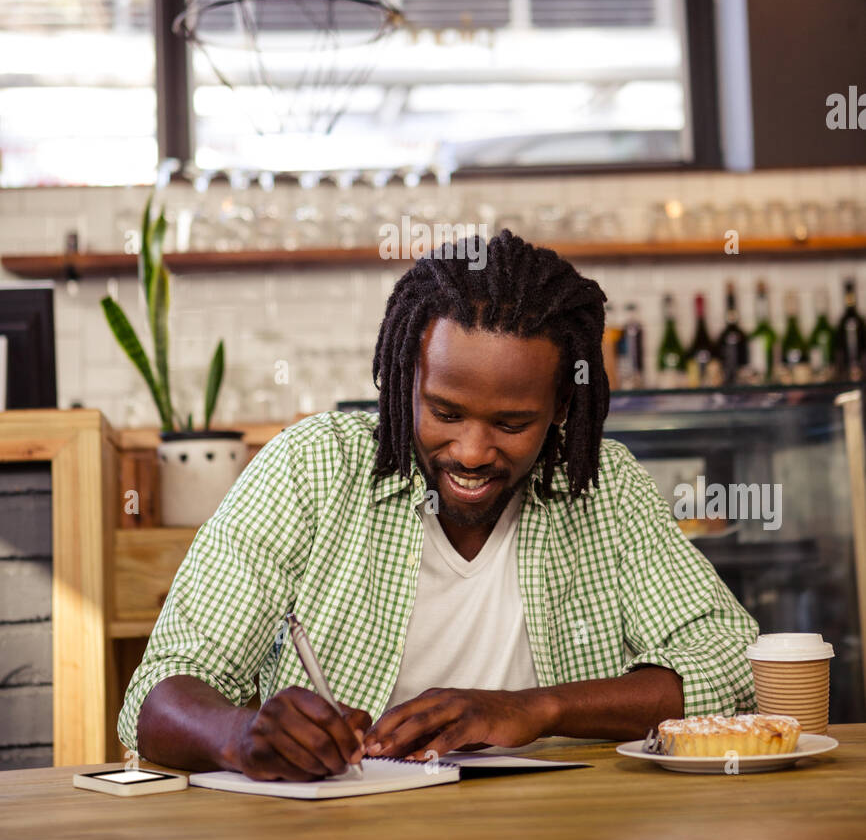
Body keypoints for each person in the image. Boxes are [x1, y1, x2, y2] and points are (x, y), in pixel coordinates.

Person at [118, 229, 759, 781]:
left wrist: (535, 709)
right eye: (446, 413)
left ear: (562, 409)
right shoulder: (310, 469)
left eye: (512, 423)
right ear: (406, 382)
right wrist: (242, 737)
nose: (473, 452)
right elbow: (160, 693)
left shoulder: (602, 486)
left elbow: (731, 663)